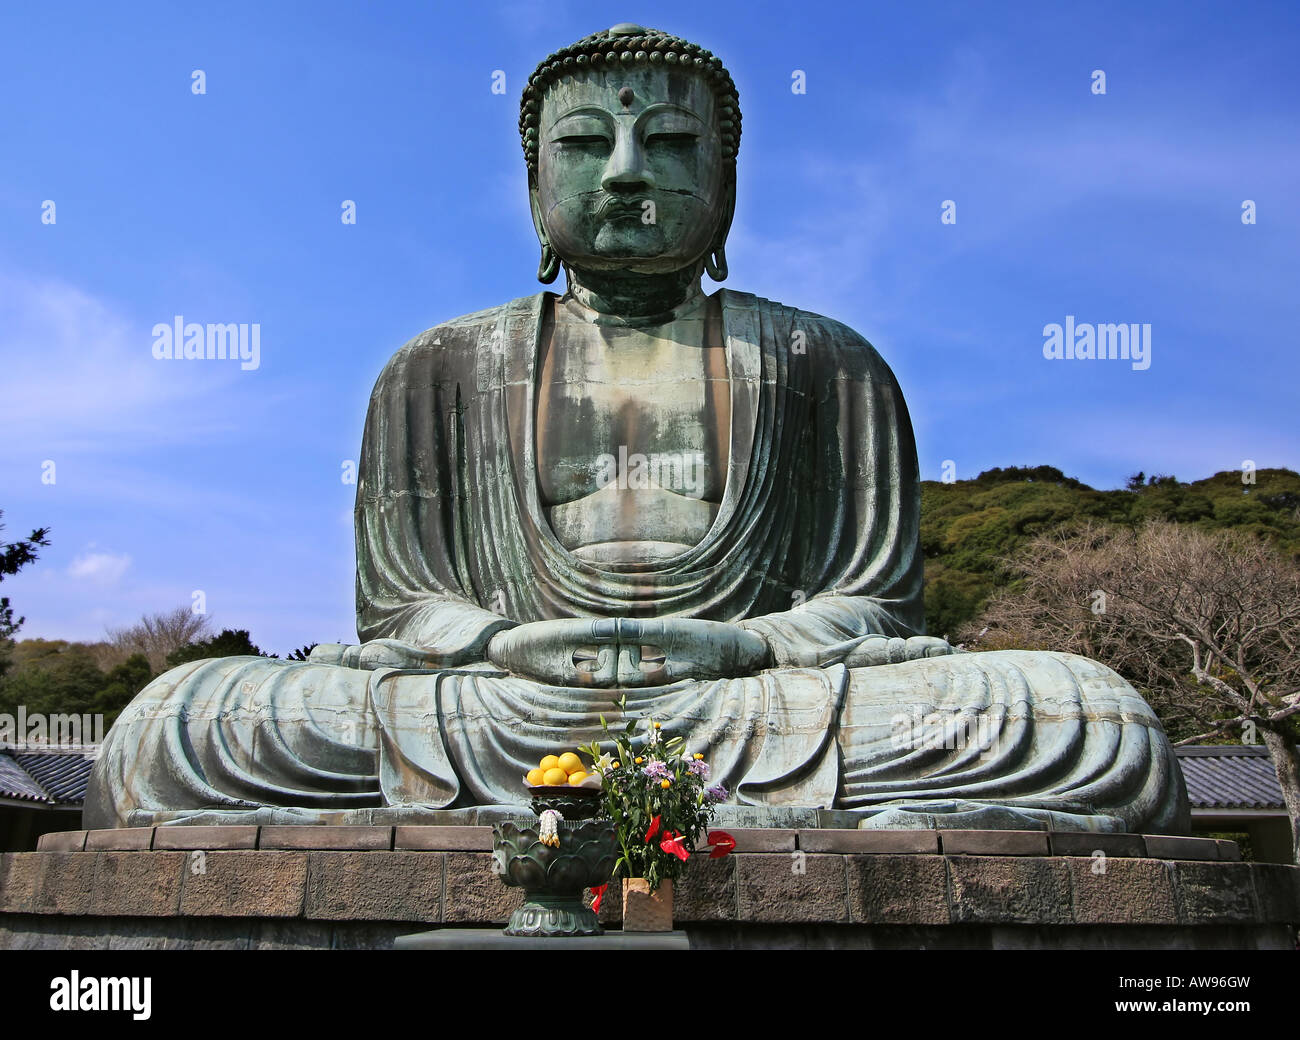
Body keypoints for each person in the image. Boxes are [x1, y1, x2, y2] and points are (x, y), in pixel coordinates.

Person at [84, 25, 1188, 834]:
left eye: (666, 141)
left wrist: (747, 642)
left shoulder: (825, 362)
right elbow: (404, 603)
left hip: (754, 701)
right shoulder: (435, 370)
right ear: (533, 187)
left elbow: (871, 602)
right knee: (173, 723)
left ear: (725, 183)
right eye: (584, 144)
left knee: (1090, 718)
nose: (624, 170)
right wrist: (492, 641)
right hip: (504, 706)